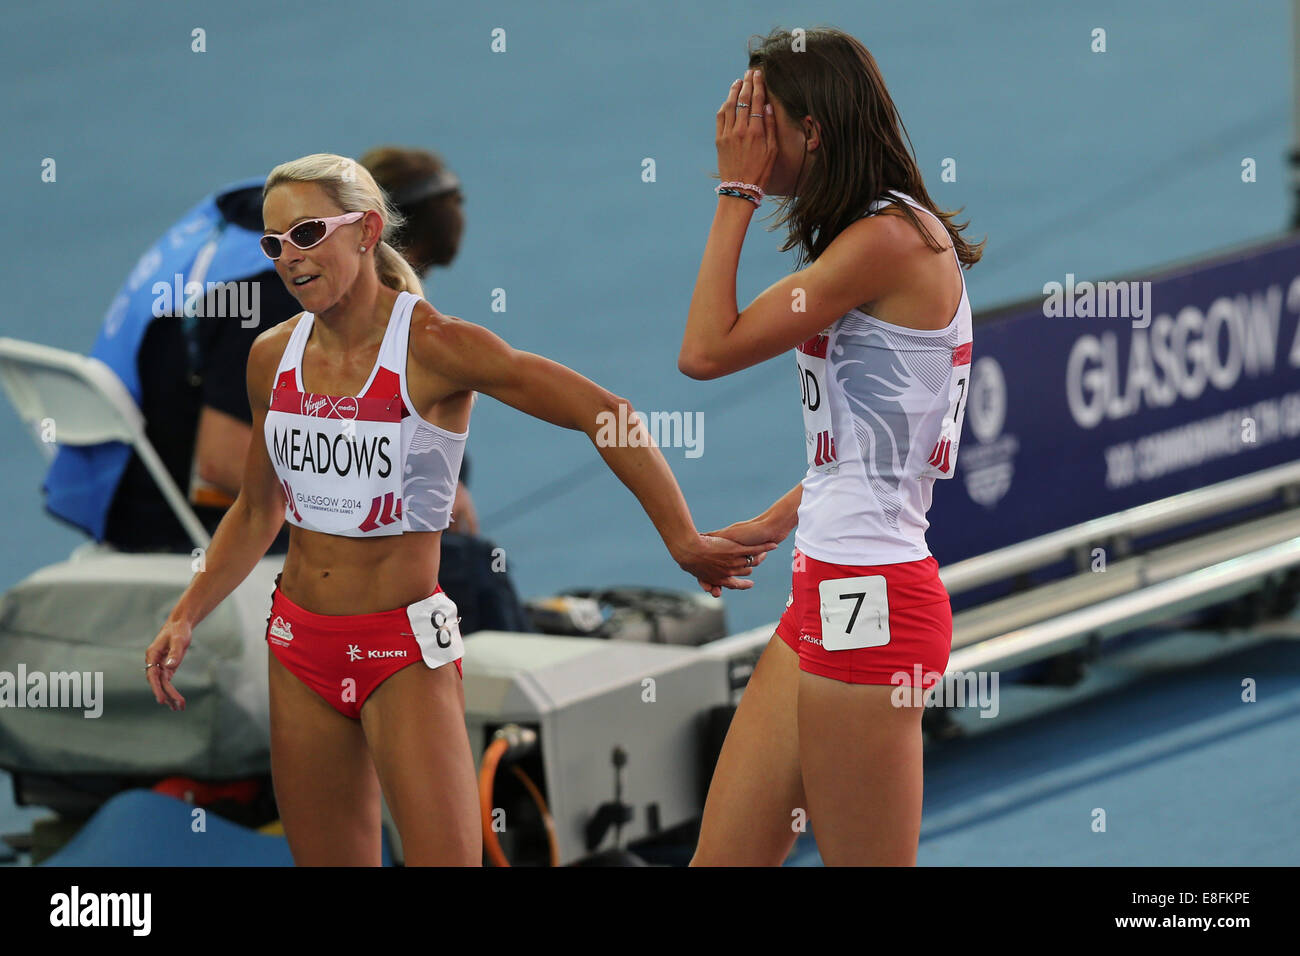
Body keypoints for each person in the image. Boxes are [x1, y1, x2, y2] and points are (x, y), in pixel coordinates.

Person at [143, 153, 776, 866]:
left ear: (366, 231)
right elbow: (259, 510)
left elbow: (606, 413)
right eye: (274, 242)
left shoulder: (435, 348)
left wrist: (682, 537)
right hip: (298, 646)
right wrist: (187, 612)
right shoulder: (271, 357)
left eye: (308, 233)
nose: (290, 256)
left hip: (399, 655)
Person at [681, 29, 983, 866]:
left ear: (811, 131)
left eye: (759, 118)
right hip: (828, 591)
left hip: (873, 604)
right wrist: (784, 517)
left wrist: (736, 192)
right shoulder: (877, 234)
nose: (738, 133)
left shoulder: (888, 242)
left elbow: (705, 351)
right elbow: (879, 449)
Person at [43, 147, 472, 553]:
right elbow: (222, 461)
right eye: (413, 266)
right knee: (462, 565)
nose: (403, 290)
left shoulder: (245, 235)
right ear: (370, 233)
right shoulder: (283, 296)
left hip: (128, 489)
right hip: (177, 524)